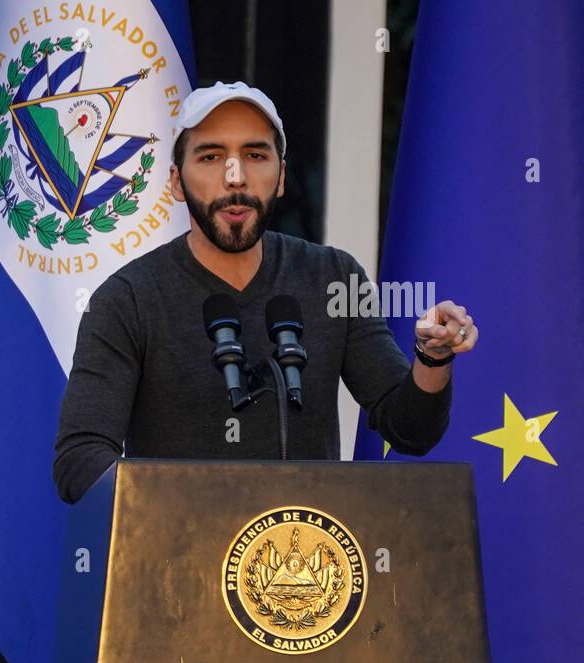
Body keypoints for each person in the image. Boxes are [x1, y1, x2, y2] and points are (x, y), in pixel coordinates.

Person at [53, 81, 479, 504]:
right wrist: (192, 509)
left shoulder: (335, 277)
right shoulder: (127, 299)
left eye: (255, 155)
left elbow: (410, 431)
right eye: (211, 156)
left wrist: (433, 357)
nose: (234, 178)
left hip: (310, 564)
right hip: (177, 561)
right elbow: (80, 463)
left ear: (280, 178)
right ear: (177, 183)